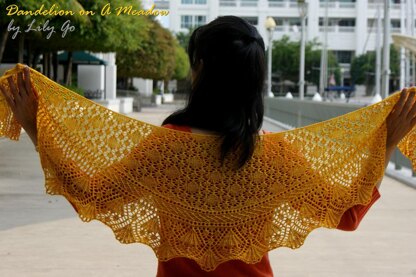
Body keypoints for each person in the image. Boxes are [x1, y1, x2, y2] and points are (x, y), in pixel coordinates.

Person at [0, 16, 415, 277]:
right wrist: (388, 139)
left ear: (199, 70)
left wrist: (38, 127)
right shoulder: (275, 157)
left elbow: (92, 194)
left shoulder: (163, 149)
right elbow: (345, 214)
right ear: (255, 80)